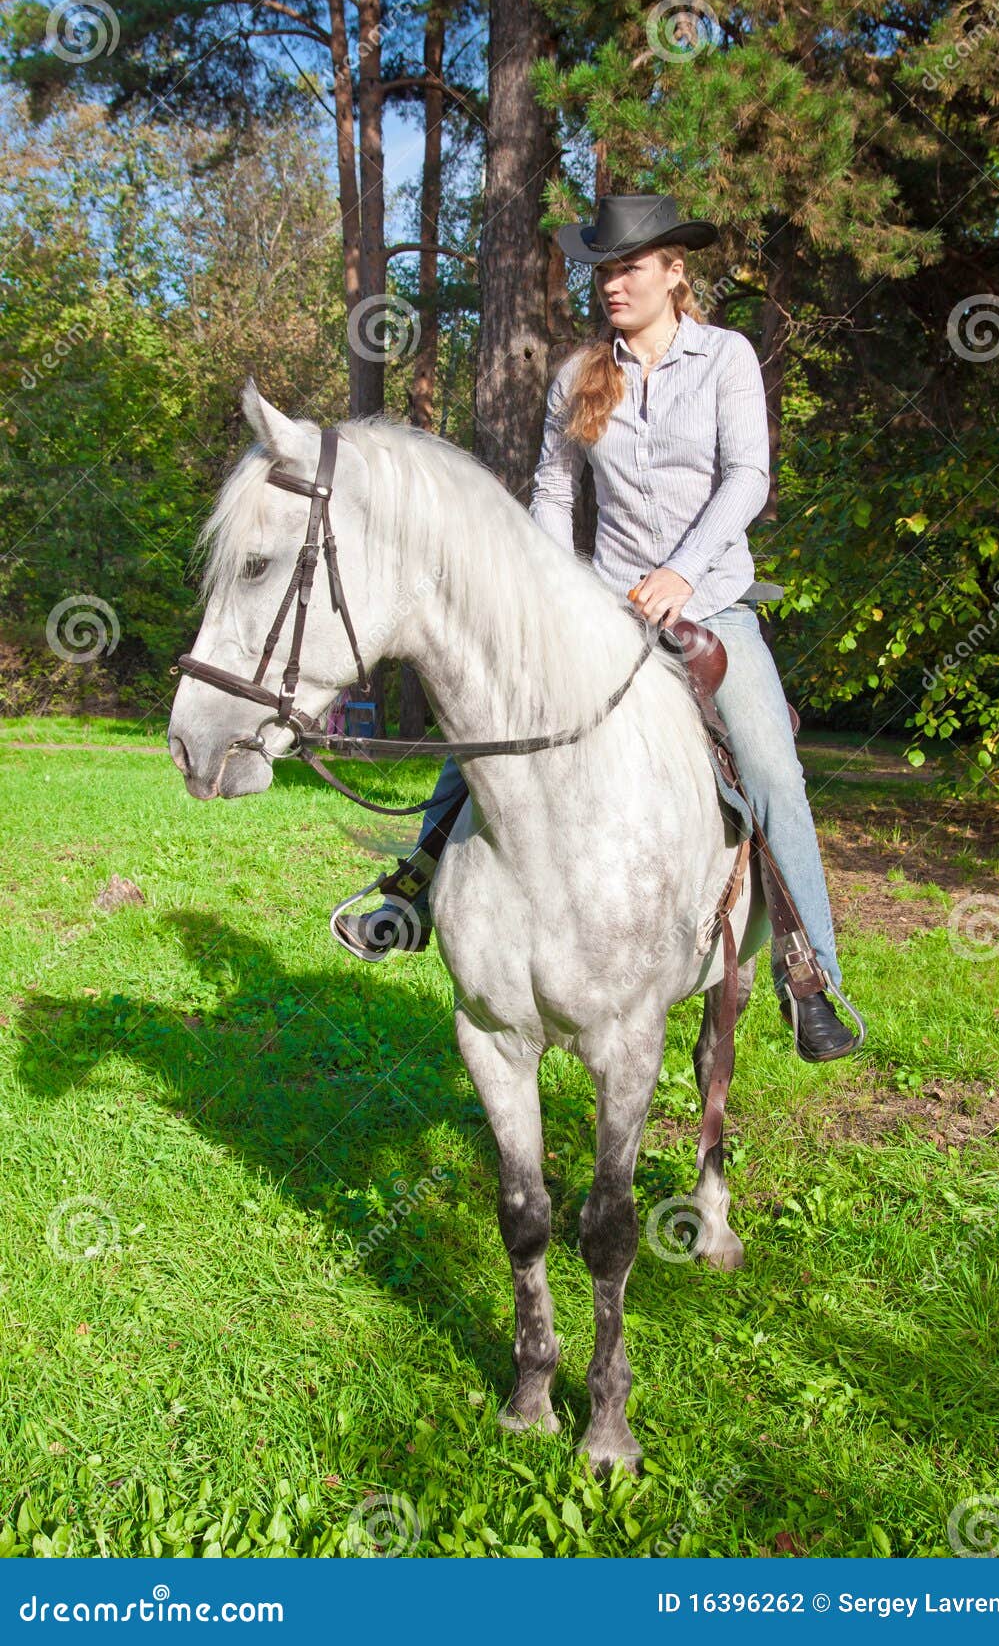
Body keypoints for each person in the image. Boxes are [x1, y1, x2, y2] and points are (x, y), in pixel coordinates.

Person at [335, 193, 865, 1063]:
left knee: (771, 768)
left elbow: (748, 480)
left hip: (712, 606)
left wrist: (682, 573)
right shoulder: (580, 373)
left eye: (626, 267)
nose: (610, 283)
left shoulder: (724, 359)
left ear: (673, 272)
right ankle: (411, 890)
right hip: (603, 607)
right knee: (490, 728)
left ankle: (809, 976)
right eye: (601, 270)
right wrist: (557, 594)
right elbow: (552, 489)